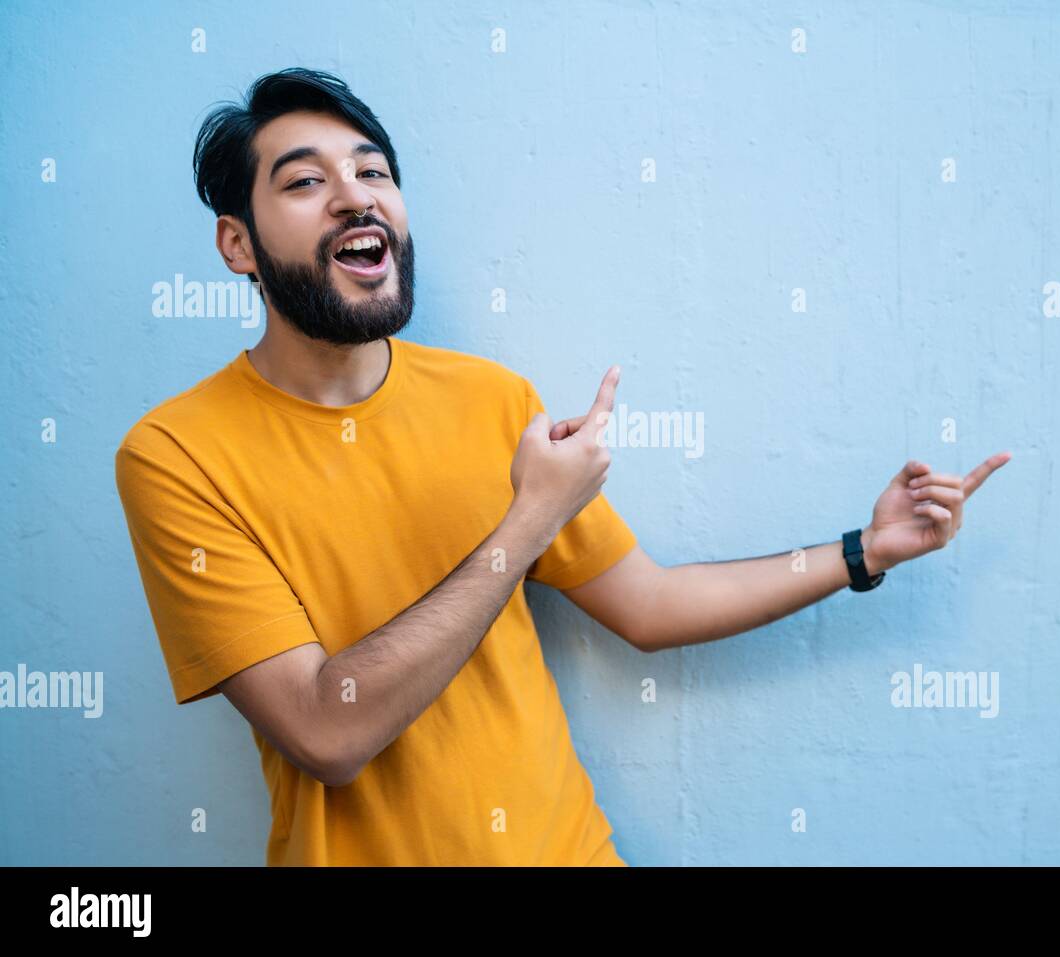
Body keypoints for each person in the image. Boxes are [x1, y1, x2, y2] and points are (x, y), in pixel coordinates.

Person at [114, 67, 1011, 866]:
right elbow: (325, 725)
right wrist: (530, 520)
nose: (357, 198)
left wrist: (868, 550)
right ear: (238, 246)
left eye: (374, 171)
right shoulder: (177, 455)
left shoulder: (491, 400)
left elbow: (650, 607)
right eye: (307, 181)